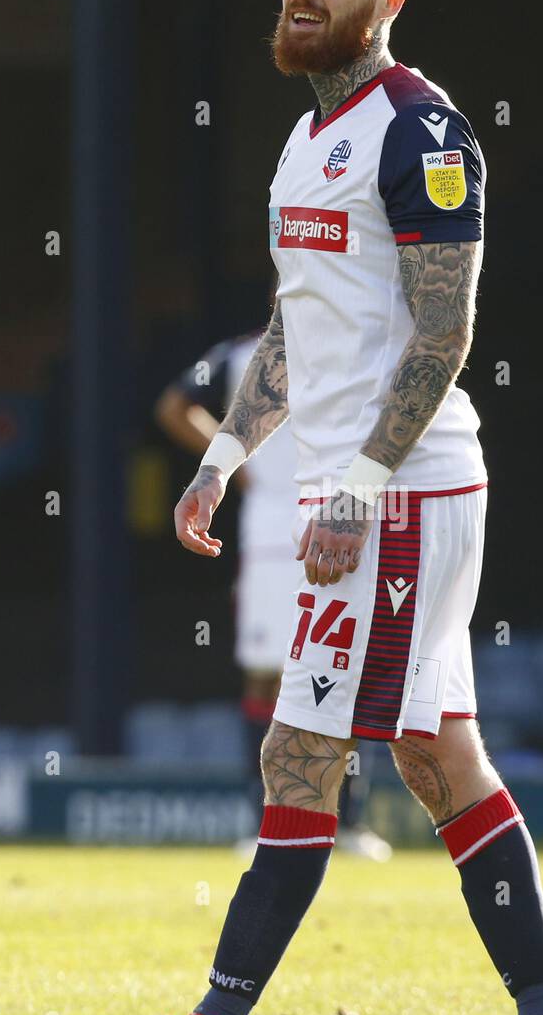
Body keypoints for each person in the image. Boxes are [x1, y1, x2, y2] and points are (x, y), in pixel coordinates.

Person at [103, 0, 543, 1015]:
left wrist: (360, 486)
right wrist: (222, 460)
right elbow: (293, 327)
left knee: (299, 752)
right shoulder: (303, 136)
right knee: (435, 756)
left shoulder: (419, 129)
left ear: (388, 1)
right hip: (357, 487)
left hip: (401, 488)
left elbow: (446, 327)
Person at [154, 325, 391, 859]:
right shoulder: (236, 354)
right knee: (267, 676)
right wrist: (236, 466)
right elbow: (174, 405)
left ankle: (346, 818)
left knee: (342, 669)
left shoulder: (354, 342)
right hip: (273, 532)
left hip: (337, 522)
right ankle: (264, 819)